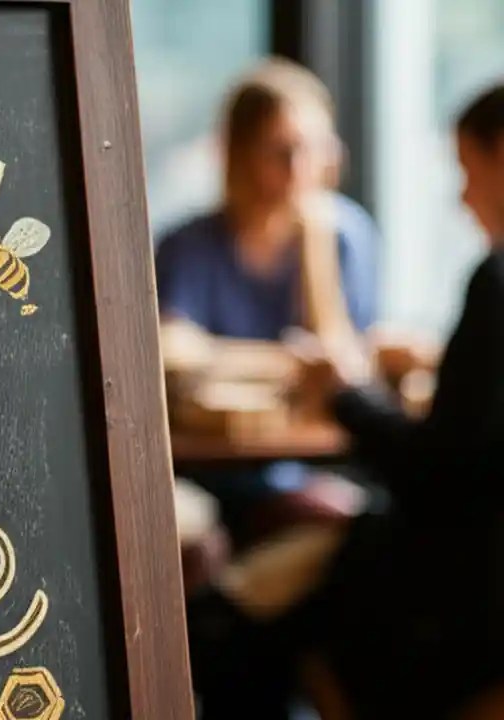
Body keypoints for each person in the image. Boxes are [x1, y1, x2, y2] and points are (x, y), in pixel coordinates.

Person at [191, 84, 504, 720]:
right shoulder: (194, 243)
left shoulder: (490, 279)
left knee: (227, 619)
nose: (462, 198)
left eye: (469, 173)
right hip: (476, 580)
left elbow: (431, 475)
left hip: (458, 600)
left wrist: (347, 396)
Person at [156, 59, 380, 546]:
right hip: (207, 468)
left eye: (314, 150)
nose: (300, 170)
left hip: (303, 467)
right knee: (191, 537)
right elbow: (169, 352)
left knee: (350, 524)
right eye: (282, 151)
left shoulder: (345, 235)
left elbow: (341, 363)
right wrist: (288, 362)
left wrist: (314, 241)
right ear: (239, 154)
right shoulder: (189, 244)